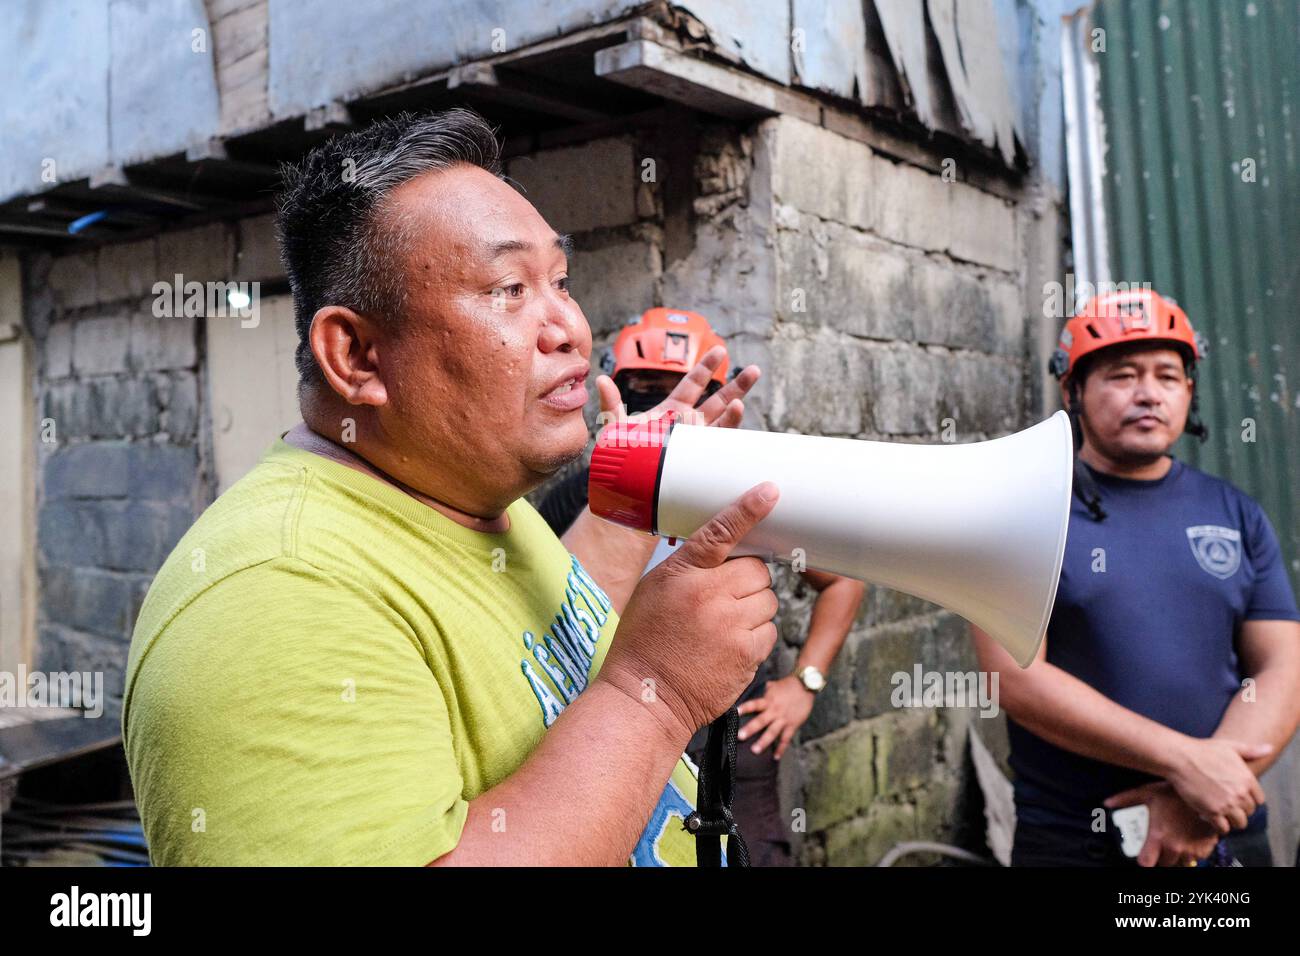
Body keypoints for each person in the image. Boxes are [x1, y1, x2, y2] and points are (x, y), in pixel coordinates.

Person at [121, 108, 782, 866]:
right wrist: (657, 693)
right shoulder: (270, 594)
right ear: (358, 356)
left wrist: (642, 494)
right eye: (508, 289)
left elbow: (542, 641)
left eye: (559, 281)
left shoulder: (468, 502)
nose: (568, 324)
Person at [972, 289, 1300, 867]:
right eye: (1122, 375)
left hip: (1221, 830)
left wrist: (1202, 798)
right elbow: (1015, 677)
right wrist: (1184, 763)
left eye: (1167, 377)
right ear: (1072, 392)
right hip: (1077, 841)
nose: (1148, 393)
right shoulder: (1021, 514)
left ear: (1189, 392)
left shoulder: (1236, 513)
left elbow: (1281, 667)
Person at [540, 308, 865, 866]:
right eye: (647, 391)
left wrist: (805, 684)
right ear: (617, 391)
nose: (670, 412)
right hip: (612, 729)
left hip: (731, 739)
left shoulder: (748, 494)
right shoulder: (576, 501)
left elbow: (842, 579)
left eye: (685, 392)